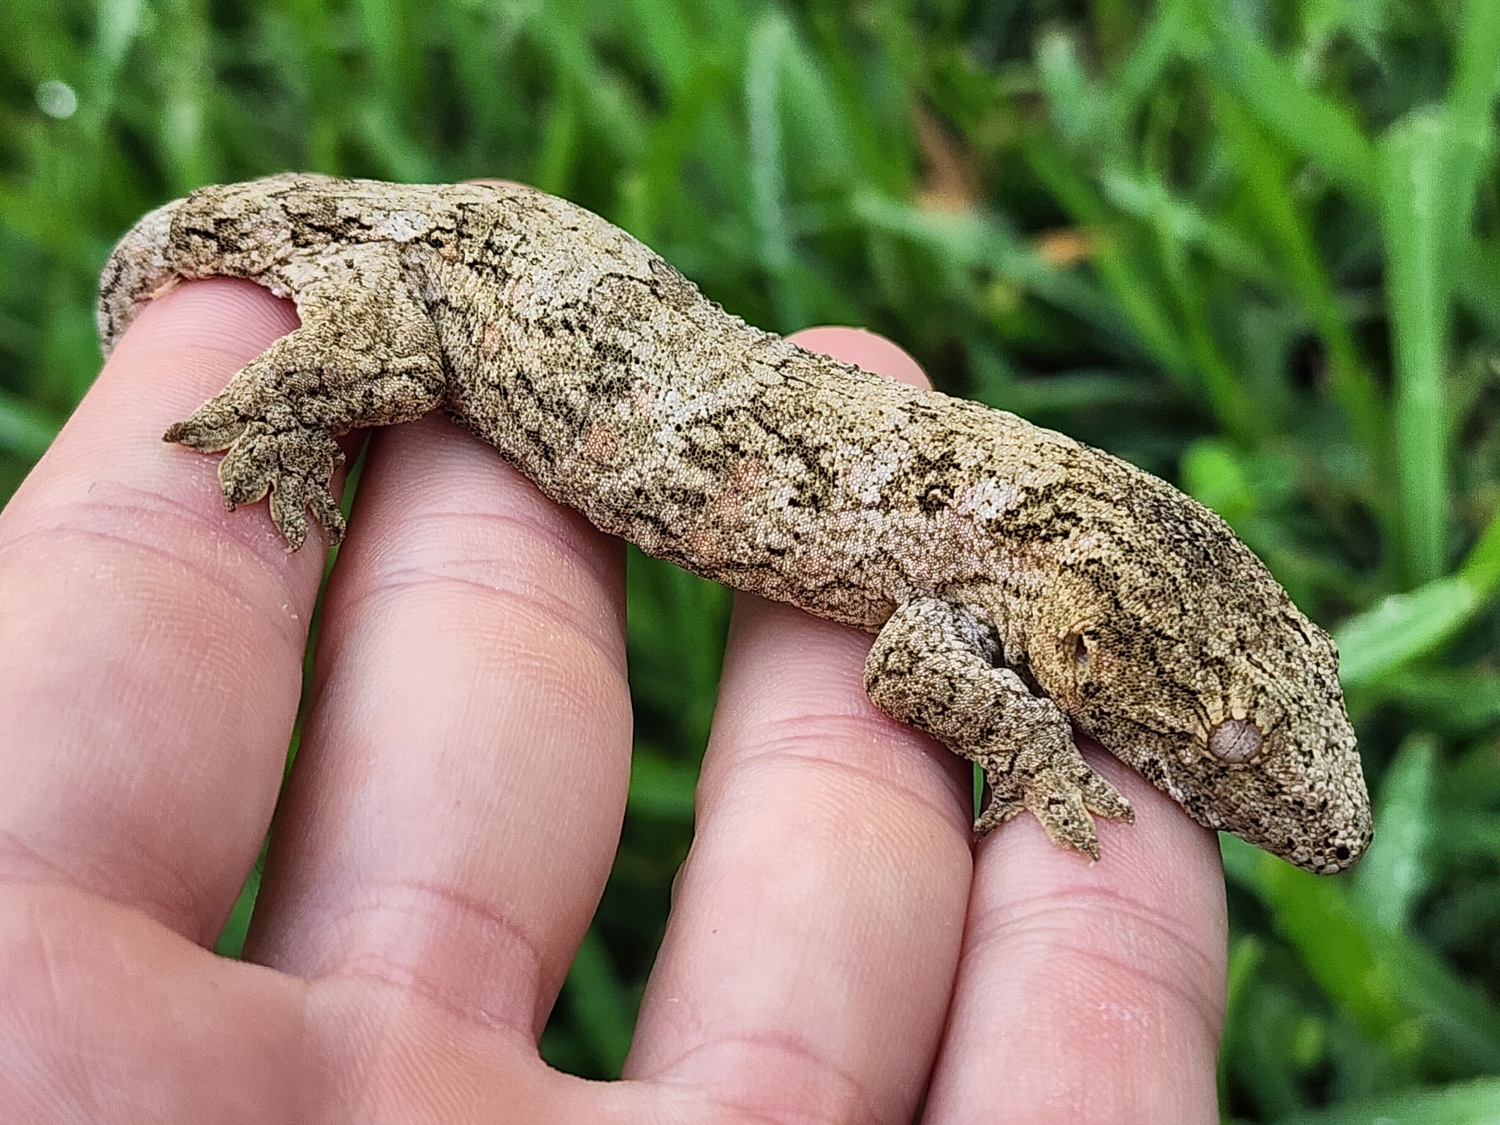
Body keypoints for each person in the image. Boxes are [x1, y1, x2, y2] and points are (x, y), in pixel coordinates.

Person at [0, 271, 1227, 1122]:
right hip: (470, 293)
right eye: (1228, 749)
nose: (1266, 805)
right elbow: (908, 667)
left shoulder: (1052, 546)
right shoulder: (1009, 584)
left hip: (571, 302)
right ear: (1092, 649)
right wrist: (1024, 734)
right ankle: (283, 403)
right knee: (396, 371)